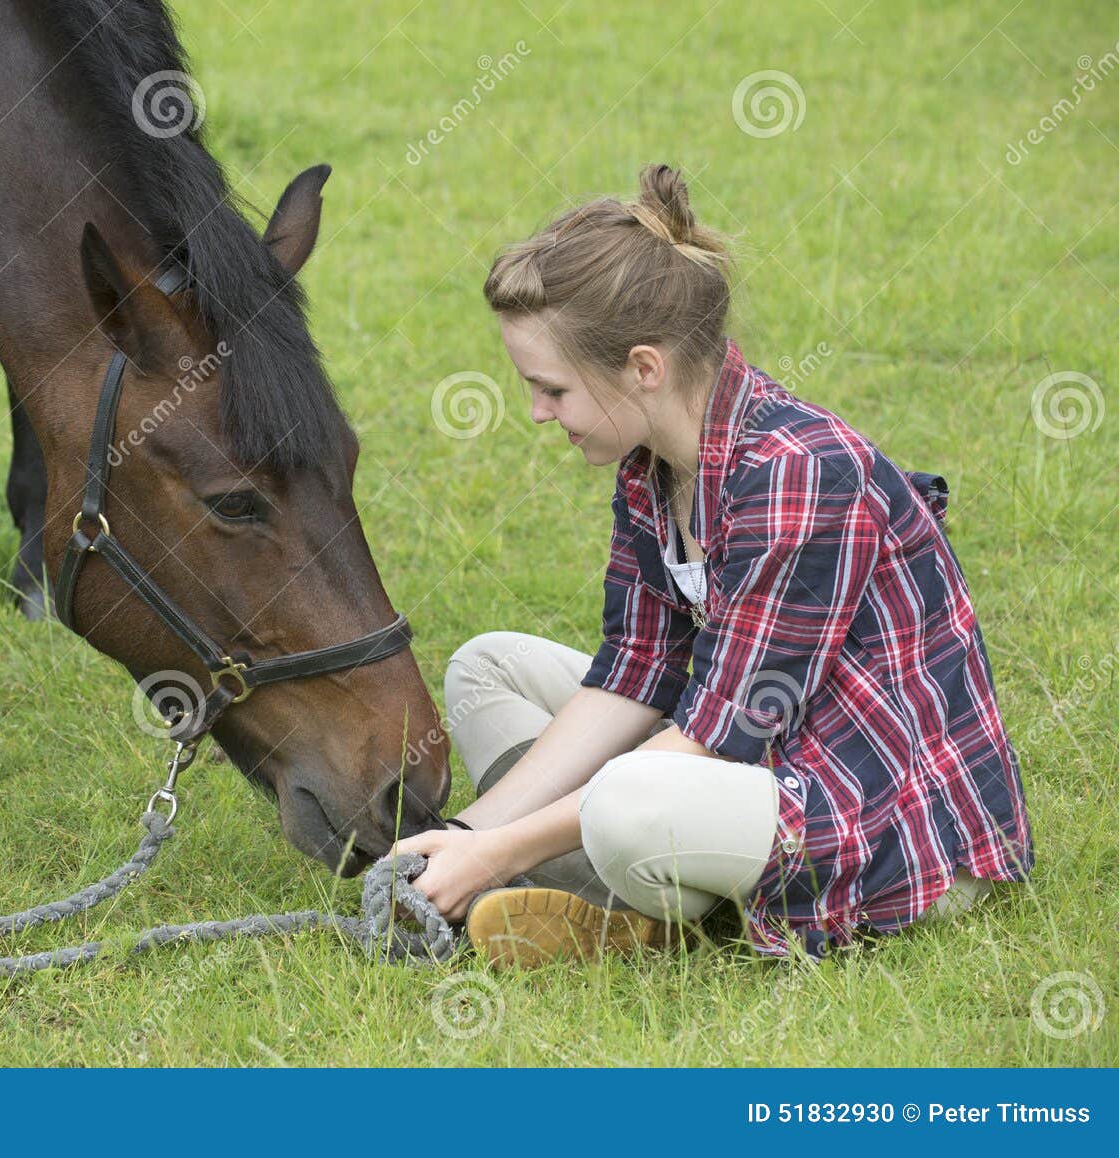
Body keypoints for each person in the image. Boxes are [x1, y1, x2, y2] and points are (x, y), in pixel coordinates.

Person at [393, 164, 1033, 967]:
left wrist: (499, 851)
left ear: (643, 367)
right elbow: (636, 669)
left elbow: (713, 738)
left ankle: (615, 887)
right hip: (750, 756)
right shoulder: (651, 461)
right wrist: (465, 834)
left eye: (551, 389)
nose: (535, 413)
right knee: (486, 669)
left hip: (878, 818)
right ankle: (622, 887)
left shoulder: (799, 472)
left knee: (626, 801)